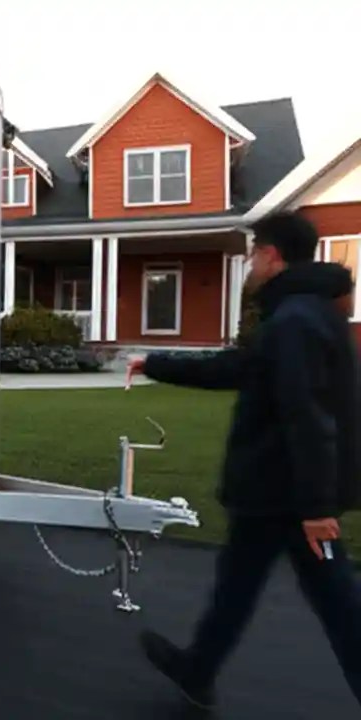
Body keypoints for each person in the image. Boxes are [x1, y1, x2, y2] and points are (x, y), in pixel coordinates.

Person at [126, 210, 360, 711]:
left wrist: (318, 507)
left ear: (272, 256)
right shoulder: (304, 313)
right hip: (273, 493)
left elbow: (309, 416)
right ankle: (198, 670)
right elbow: (241, 369)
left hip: (291, 497)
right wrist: (158, 363)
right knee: (239, 586)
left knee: (339, 604)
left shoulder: (296, 321)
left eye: (254, 253)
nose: (250, 264)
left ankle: (198, 668)